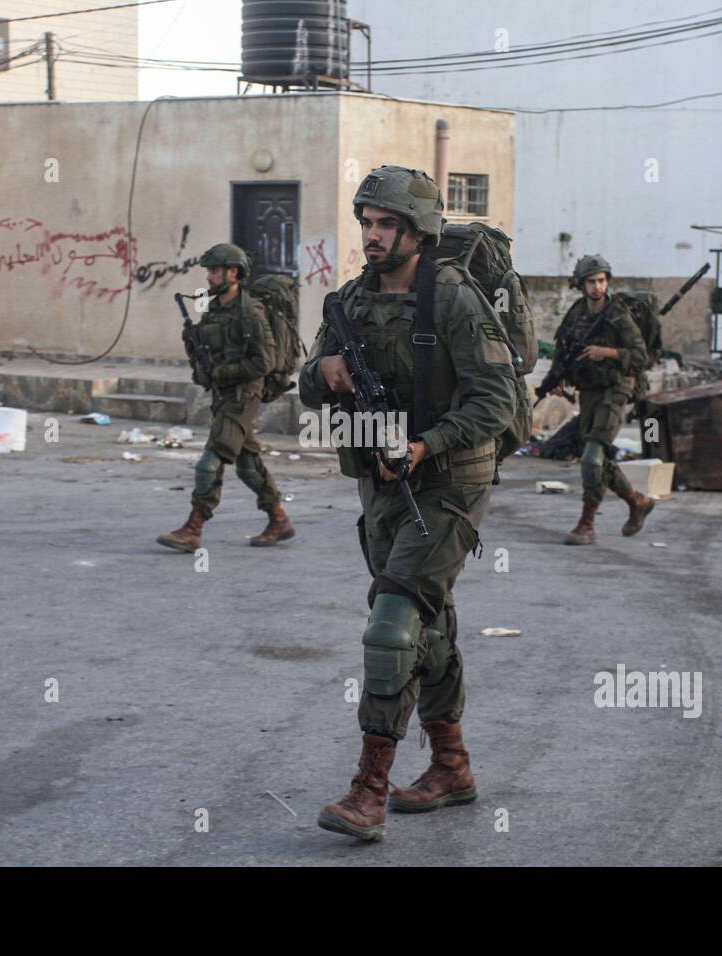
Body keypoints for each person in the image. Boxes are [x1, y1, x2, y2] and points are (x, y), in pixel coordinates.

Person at [298, 166, 517, 842]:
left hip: (449, 480)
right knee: (430, 624)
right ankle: (451, 766)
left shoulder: (451, 299)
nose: (371, 234)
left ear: (416, 230)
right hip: (381, 482)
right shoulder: (350, 303)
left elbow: (496, 400)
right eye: (366, 222)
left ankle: (368, 789)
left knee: (392, 626)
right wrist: (324, 373)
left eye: (385, 224)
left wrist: (426, 445)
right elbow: (307, 386)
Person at [156, 243, 294, 552]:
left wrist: (222, 373)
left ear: (233, 272)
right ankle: (278, 518)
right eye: (209, 271)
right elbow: (210, 350)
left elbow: (264, 363)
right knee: (246, 463)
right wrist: (194, 346)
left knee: (211, 460)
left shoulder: (251, 312)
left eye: (214, 270)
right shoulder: (217, 307)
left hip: (244, 396)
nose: (209, 276)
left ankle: (194, 526)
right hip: (225, 396)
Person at [538, 254, 655, 545]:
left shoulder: (618, 315)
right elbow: (562, 352)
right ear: (581, 284)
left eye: (602, 281)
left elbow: (641, 357)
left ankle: (586, 524)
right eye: (591, 281)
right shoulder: (577, 313)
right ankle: (637, 501)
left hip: (616, 389)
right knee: (597, 458)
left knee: (591, 457)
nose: (597, 287)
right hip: (589, 391)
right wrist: (554, 382)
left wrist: (609, 353)